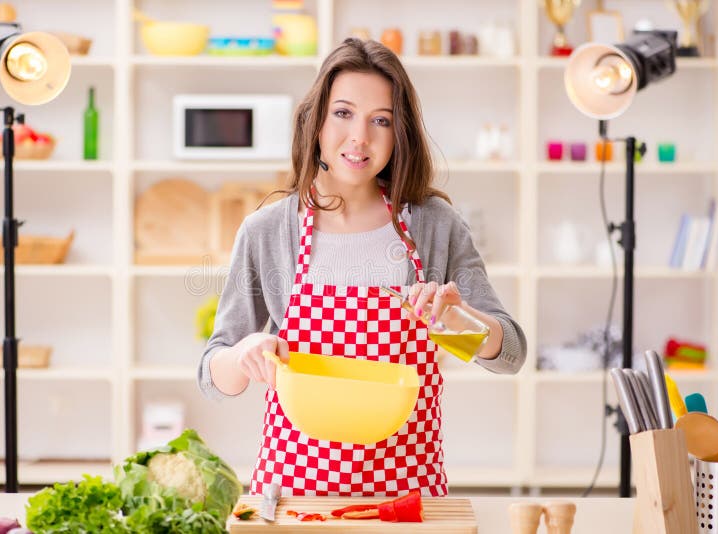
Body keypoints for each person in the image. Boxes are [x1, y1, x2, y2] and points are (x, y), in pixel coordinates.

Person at [198, 37, 526, 497]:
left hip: (406, 493)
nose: (360, 137)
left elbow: (510, 354)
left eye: (381, 121)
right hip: (296, 492)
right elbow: (213, 375)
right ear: (316, 122)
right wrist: (244, 352)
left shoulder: (435, 224)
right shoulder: (267, 231)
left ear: (400, 133)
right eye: (343, 113)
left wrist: (457, 322)